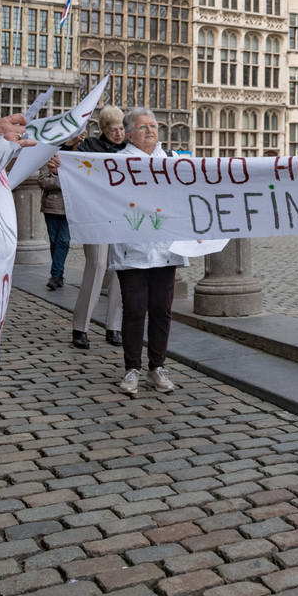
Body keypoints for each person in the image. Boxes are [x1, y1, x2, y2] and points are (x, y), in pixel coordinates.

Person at [109, 108, 188, 395]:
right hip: (133, 248)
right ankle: (132, 368)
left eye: (153, 125)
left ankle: (157, 366)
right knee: (134, 310)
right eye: (143, 127)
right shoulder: (115, 163)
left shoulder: (173, 161)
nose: (150, 130)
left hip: (165, 247)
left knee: (161, 310)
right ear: (129, 134)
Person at [72, 105, 128, 348]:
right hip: (96, 214)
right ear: (103, 129)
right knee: (97, 265)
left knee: (119, 269)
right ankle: (80, 327)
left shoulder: (129, 149)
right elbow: (73, 171)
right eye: (114, 129)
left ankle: (114, 326)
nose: (119, 134)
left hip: (122, 215)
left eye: (122, 128)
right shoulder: (88, 147)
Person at [38, 154, 70, 290]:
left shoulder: (78, 153)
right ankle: (59, 274)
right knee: (54, 242)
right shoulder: (50, 155)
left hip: (71, 207)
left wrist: (59, 178)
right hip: (51, 206)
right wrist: (61, 179)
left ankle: (55, 275)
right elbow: (43, 181)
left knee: (63, 241)